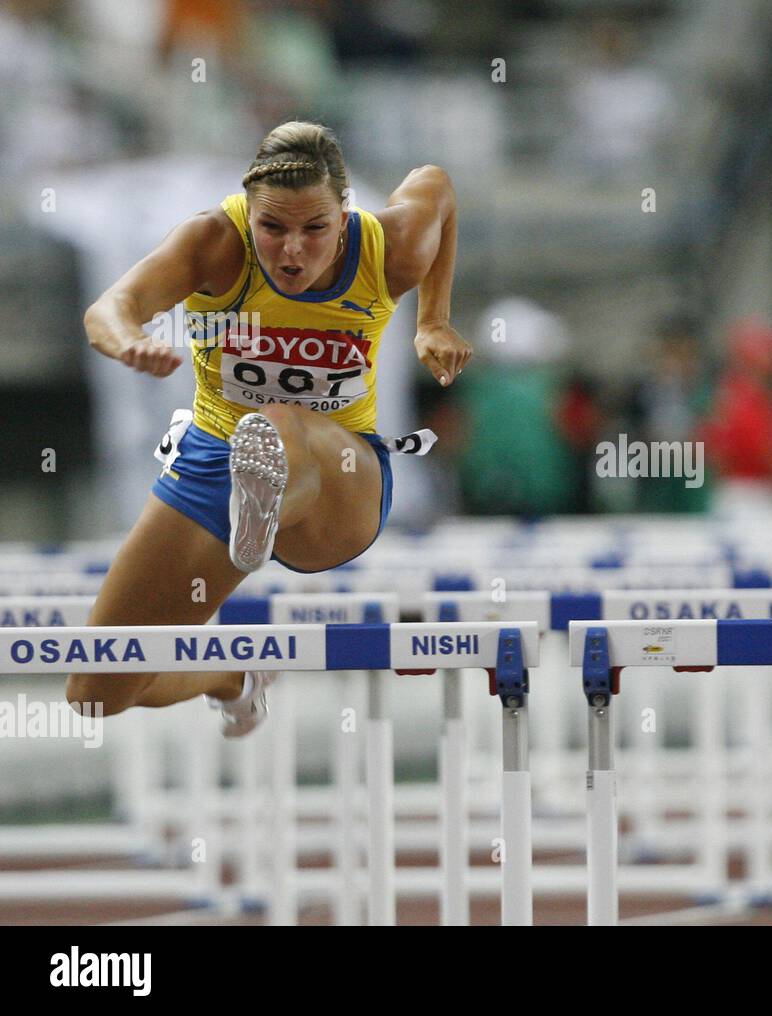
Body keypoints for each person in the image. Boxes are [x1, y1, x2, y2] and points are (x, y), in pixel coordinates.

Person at [66, 121, 470, 736]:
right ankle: (234, 675)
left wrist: (433, 320)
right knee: (95, 692)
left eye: (314, 230)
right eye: (272, 228)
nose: (291, 252)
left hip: (339, 476)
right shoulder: (213, 243)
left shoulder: (391, 245)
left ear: (345, 217)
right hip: (213, 462)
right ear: (248, 215)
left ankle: (267, 501)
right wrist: (130, 342)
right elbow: (109, 308)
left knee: (276, 421)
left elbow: (436, 185)